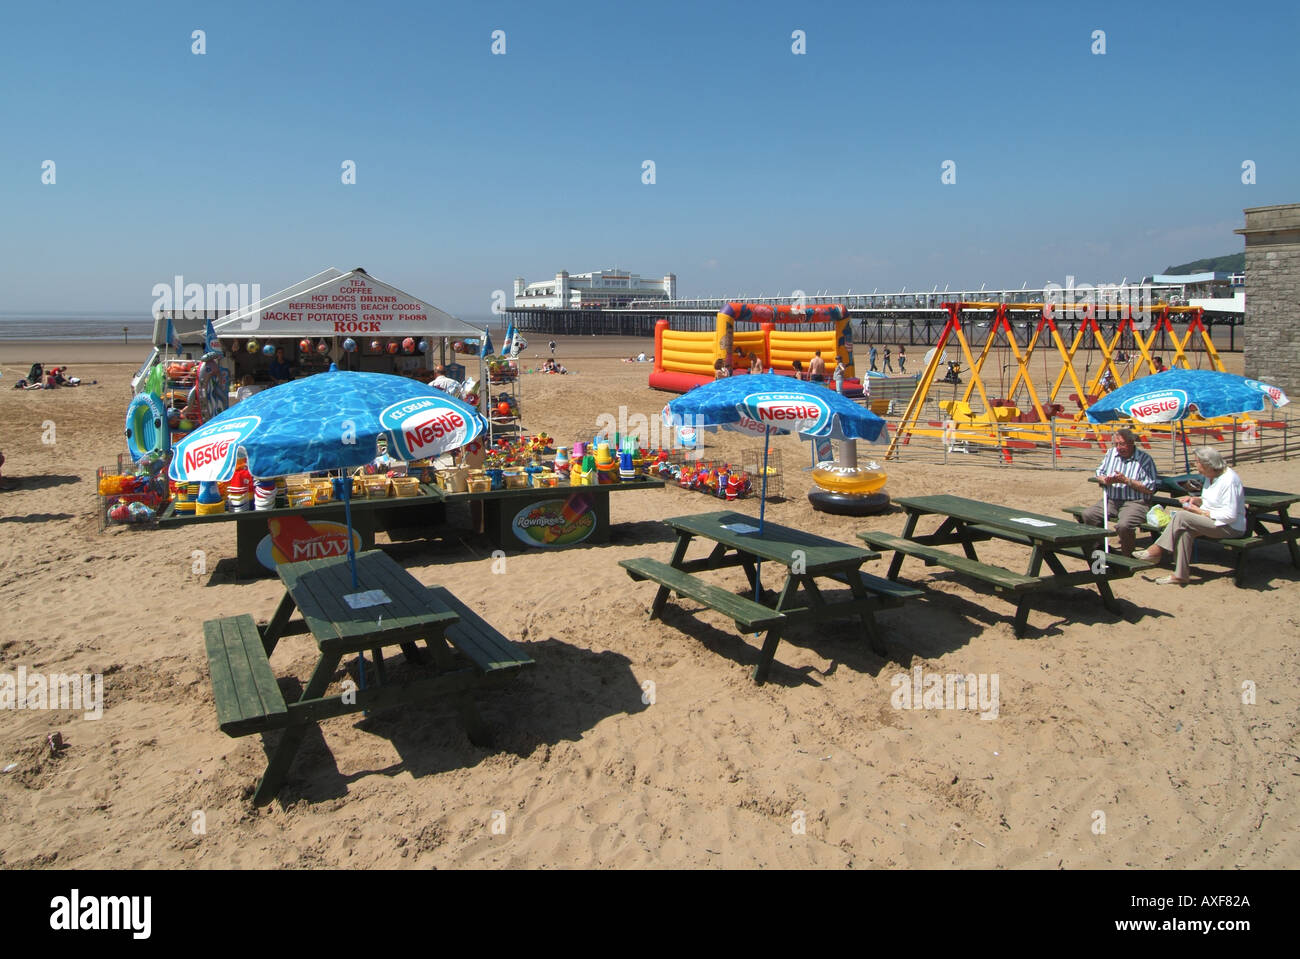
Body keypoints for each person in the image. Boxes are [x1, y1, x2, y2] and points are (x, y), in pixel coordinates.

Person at [1136, 447, 1246, 585]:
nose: (1195, 466)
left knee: (1182, 517)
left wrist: (1199, 511)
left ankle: (1157, 550)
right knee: (1184, 530)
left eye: (1197, 462)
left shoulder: (1229, 480)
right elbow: (1210, 500)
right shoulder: (1210, 477)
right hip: (1212, 521)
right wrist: (1196, 500)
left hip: (1229, 526)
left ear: (1207, 464)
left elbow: (1230, 515)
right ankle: (1180, 575)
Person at [1081, 428, 1158, 556]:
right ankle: (1099, 548)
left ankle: (1127, 556)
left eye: (1121, 444)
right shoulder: (1110, 454)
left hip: (1136, 502)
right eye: (1116, 444)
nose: (1118, 447)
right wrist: (1104, 479)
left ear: (1131, 443)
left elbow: (1150, 487)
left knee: (1124, 525)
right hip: (1111, 499)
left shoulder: (1145, 460)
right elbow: (1099, 472)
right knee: (1088, 515)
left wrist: (1127, 481)